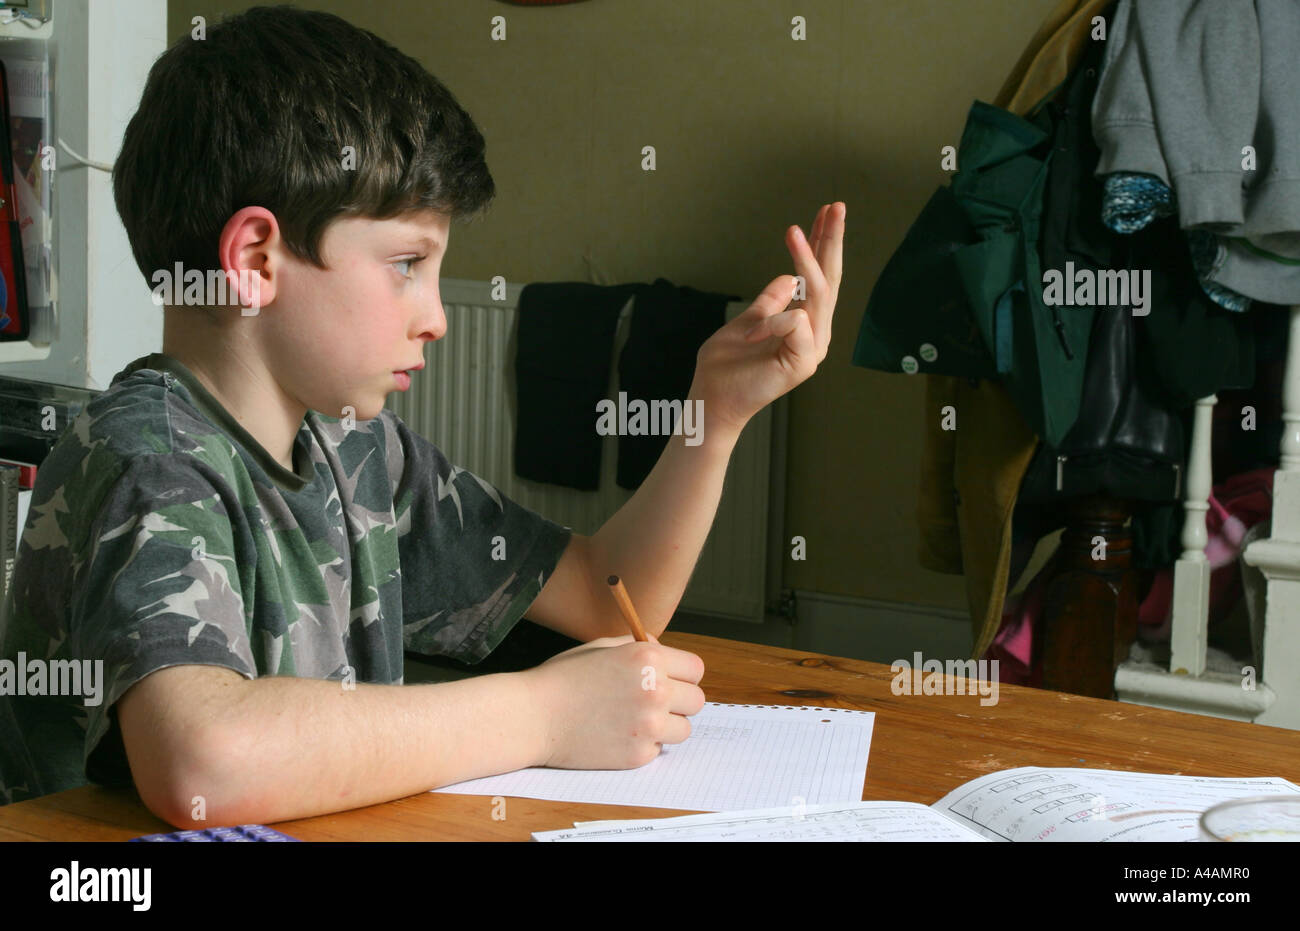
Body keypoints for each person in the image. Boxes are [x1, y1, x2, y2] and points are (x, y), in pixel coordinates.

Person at [0, 5, 844, 827]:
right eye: (407, 263)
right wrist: (543, 713)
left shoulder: (357, 447)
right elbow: (203, 761)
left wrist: (715, 415)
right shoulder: (143, 456)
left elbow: (606, 592)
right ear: (256, 259)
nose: (435, 315)